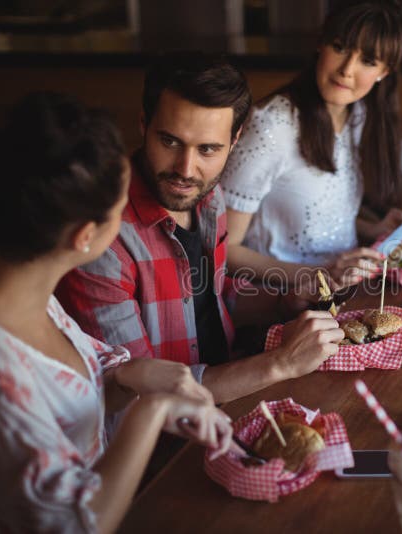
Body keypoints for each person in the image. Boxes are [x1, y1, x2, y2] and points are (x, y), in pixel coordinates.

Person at [0, 93, 238, 533]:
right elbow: (74, 523)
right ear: (84, 236)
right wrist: (150, 411)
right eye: (120, 208)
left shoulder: (14, 280)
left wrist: (133, 375)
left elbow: (86, 375)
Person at [56, 53, 344, 404]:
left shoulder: (209, 196)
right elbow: (137, 395)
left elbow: (212, 294)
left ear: (234, 141)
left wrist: (283, 302)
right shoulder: (102, 239)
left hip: (233, 393)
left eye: (208, 149)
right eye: (170, 141)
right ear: (144, 124)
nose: (186, 169)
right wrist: (280, 364)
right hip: (165, 440)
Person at [221, 0, 402, 289]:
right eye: (339, 47)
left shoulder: (357, 114)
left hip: (345, 289)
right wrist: (319, 275)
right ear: (320, 45)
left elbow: (321, 215)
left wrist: (376, 230)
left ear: (384, 73)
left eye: (368, 61)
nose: (347, 70)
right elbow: (225, 249)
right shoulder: (272, 125)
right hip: (280, 301)